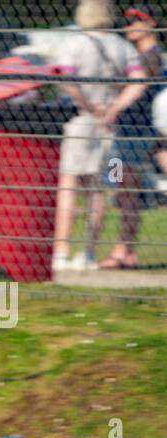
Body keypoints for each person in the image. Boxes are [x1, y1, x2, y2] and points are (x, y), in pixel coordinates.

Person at [52, 0, 146, 272]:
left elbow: (65, 79)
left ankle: (61, 251)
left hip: (81, 119)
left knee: (69, 186)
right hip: (108, 124)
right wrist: (115, 107)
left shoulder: (74, 44)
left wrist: (89, 105)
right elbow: (137, 82)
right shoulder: (123, 46)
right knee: (96, 190)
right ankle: (89, 252)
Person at [98, 7, 163, 269]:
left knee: (124, 192)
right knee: (126, 192)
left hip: (136, 131)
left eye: (137, 21)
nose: (130, 26)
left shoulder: (151, 55)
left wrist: (114, 108)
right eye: (128, 21)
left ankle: (123, 250)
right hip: (137, 130)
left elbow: (139, 86)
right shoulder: (141, 56)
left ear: (151, 24)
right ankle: (126, 251)